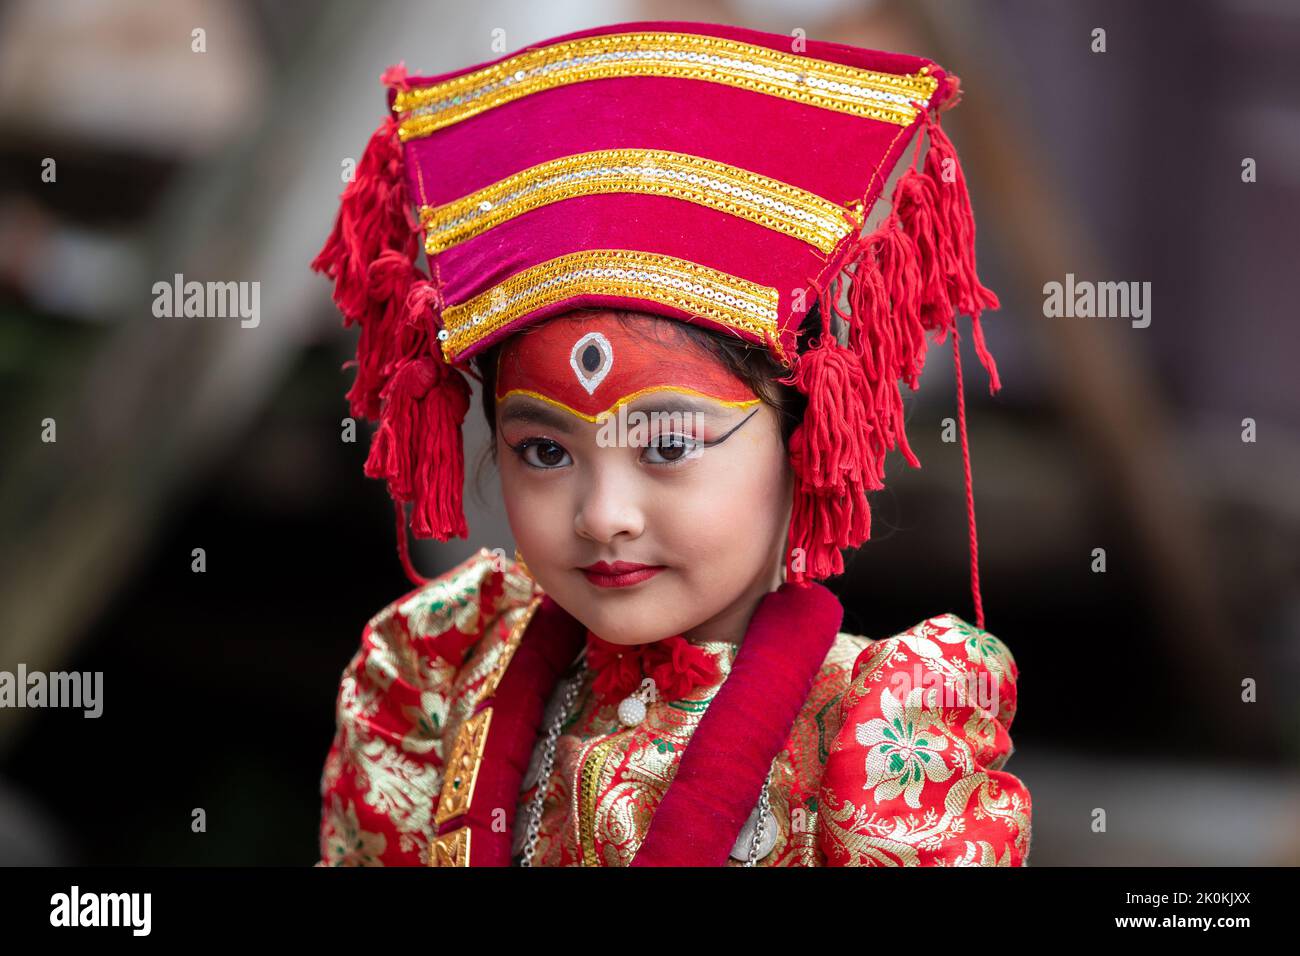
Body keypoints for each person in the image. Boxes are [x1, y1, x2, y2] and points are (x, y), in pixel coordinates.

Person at [311, 20, 1031, 867]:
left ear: (802, 435)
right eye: (546, 453)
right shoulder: (441, 671)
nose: (603, 516)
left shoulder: (874, 737)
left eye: (666, 448)